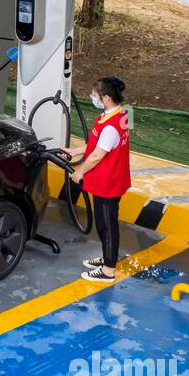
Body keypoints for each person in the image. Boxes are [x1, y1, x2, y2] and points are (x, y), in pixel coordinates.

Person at [62, 76, 132, 283]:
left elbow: (96, 155)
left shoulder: (111, 125)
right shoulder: (119, 115)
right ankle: (107, 257)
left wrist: (79, 172)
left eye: (94, 95)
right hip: (112, 178)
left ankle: (108, 271)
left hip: (107, 183)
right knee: (105, 223)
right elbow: (96, 144)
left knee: (107, 225)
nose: (91, 98)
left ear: (107, 98)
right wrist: (75, 151)